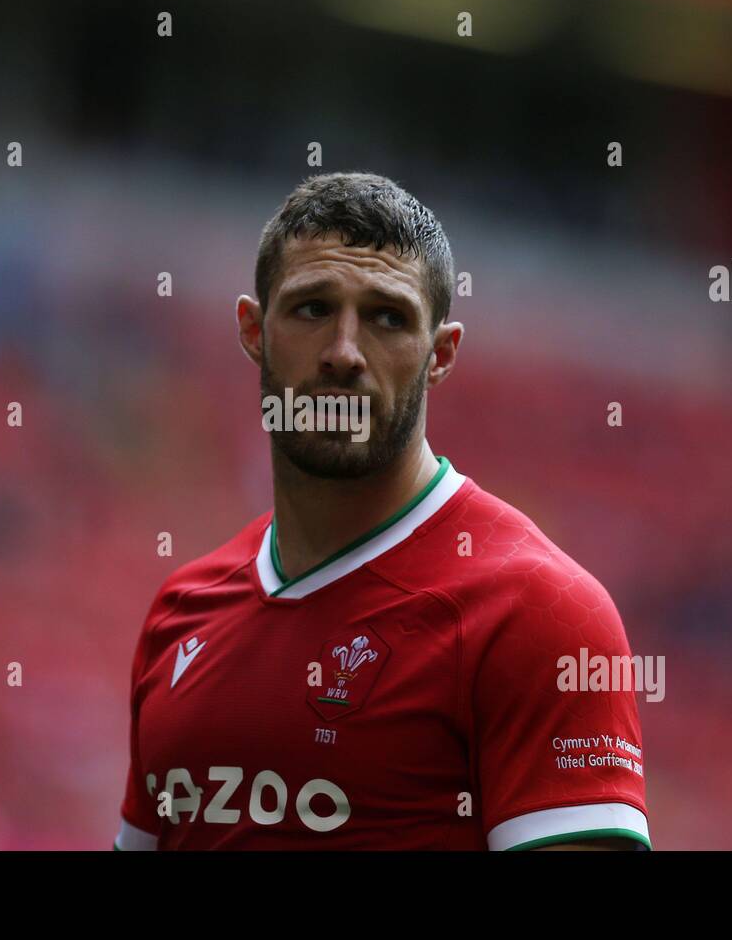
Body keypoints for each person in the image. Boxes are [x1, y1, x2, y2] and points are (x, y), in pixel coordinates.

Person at [114, 172, 649, 850]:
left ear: (441, 355)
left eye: (387, 318)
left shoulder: (537, 612)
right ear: (254, 330)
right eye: (312, 309)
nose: (343, 353)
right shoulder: (180, 612)